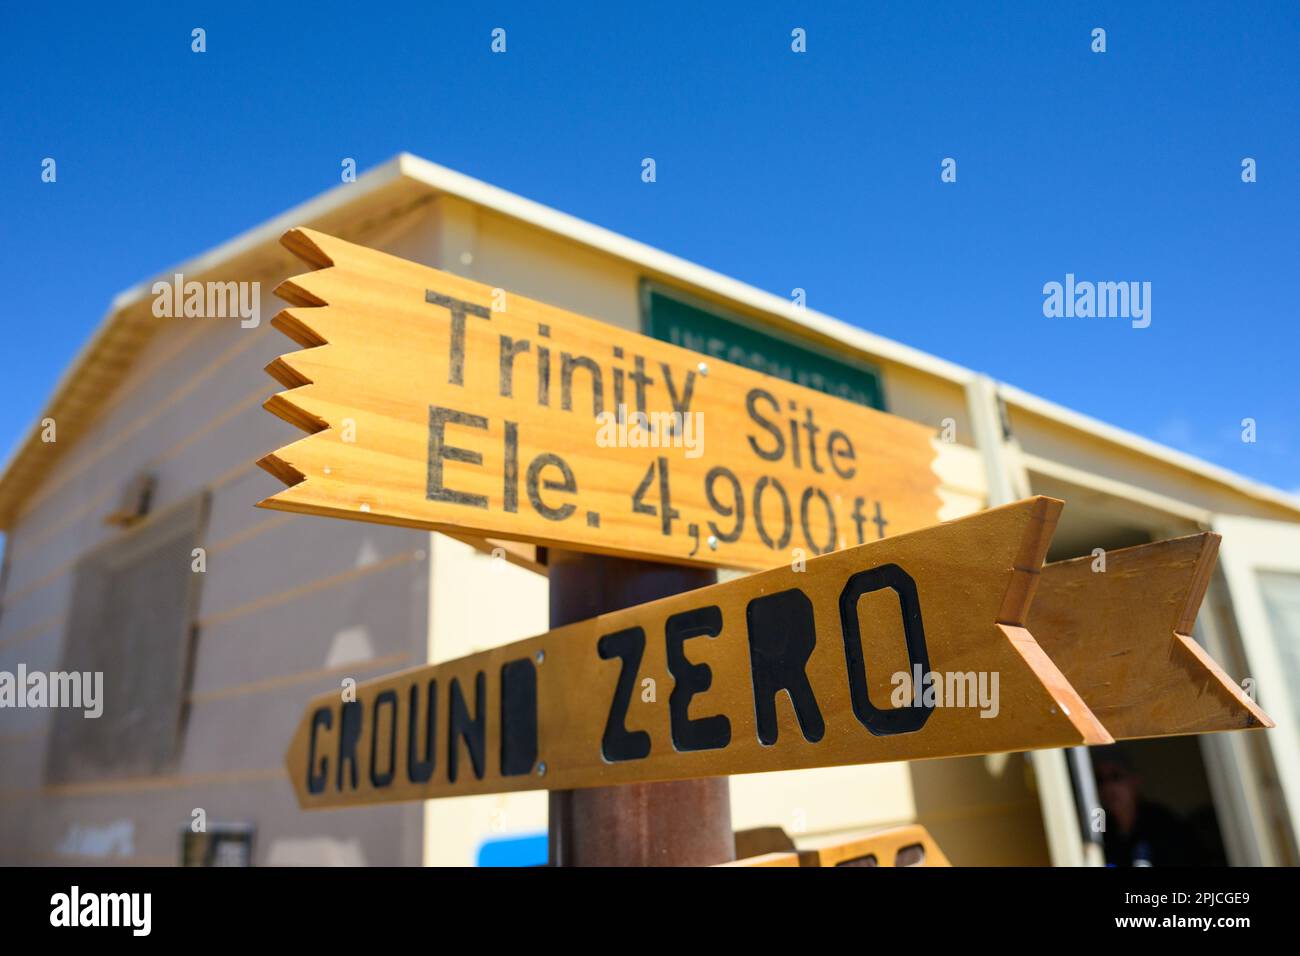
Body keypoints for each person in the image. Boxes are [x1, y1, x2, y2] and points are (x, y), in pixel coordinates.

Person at [1093, 746, 1209, 866]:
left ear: (1135, 781)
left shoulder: (1164, 824)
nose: (1108, 787)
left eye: (1115, 776)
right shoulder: (1099, 828)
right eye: (1100, 780)